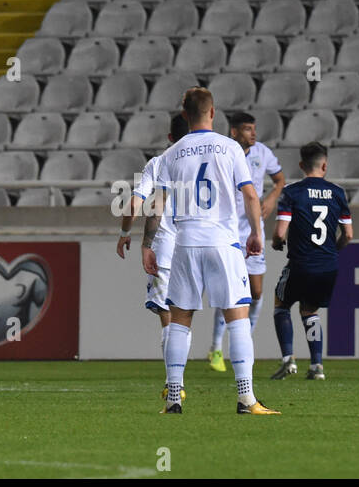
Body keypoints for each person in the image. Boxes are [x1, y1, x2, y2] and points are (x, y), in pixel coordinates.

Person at [151, 87, 278, 414]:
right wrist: (255, 233)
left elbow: (158, 204)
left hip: (185, 242)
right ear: (213, 112)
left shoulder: (172, 153)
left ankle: (174, 397)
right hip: (223, 241)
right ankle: (246, 398)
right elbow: (250, 196)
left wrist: (149, 245)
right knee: (237, 317)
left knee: (179, 320)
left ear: (184, 115)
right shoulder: (230, 147)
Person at [116, 113, 190, 401]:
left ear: (169, 137)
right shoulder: (210, 158)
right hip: (198, 246)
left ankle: (175, 384)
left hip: (164, 248)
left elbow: (137, 204)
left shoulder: (158, 163)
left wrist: (126, 234)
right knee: (186, 316)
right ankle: (244, 391)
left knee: (167, 317)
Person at [207, 112, 284, 372]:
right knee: (229, 290)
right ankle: (217, 348)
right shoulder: (224, 152)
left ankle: (243, 339)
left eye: (254, 128)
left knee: (256, 292)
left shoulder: (262, 152)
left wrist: (272, 198)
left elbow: (280, 179)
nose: (253, 133)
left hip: (253, 229)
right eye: (248, 129)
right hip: (228, 231)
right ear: (234, 132)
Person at [268, 142, 352, 380]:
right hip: (327, 266)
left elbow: (279, 232)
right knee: (310, 310)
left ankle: (288, 360)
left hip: (300, 263)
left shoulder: (292, 193)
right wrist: (332, 252)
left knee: (281, 304)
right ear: (324, 165)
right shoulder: (338, 193)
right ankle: (317, 366)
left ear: (301, 165)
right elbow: (348, 235)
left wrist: (276, 243)